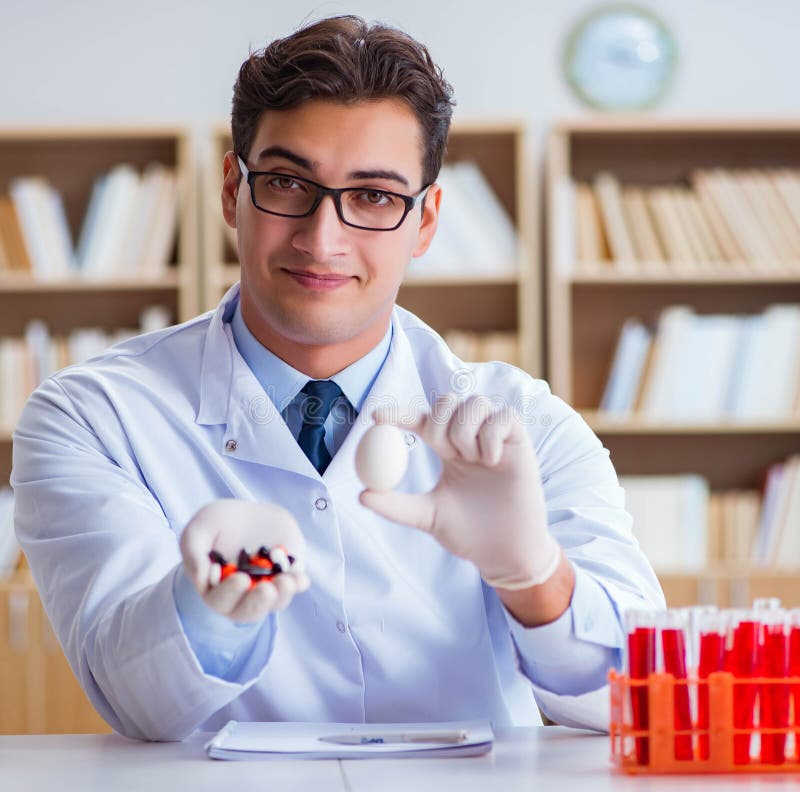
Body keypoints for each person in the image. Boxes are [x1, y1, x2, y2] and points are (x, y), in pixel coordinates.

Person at [12, 15, 663, 742]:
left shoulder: (523, 425)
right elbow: (136, 702)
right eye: (288, 183)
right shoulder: (93, 417)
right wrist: (206, 605)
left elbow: (642, 701)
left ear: (426, 221)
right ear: (233, 190)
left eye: (375, 196)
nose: (322, 239)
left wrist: (531, 575)